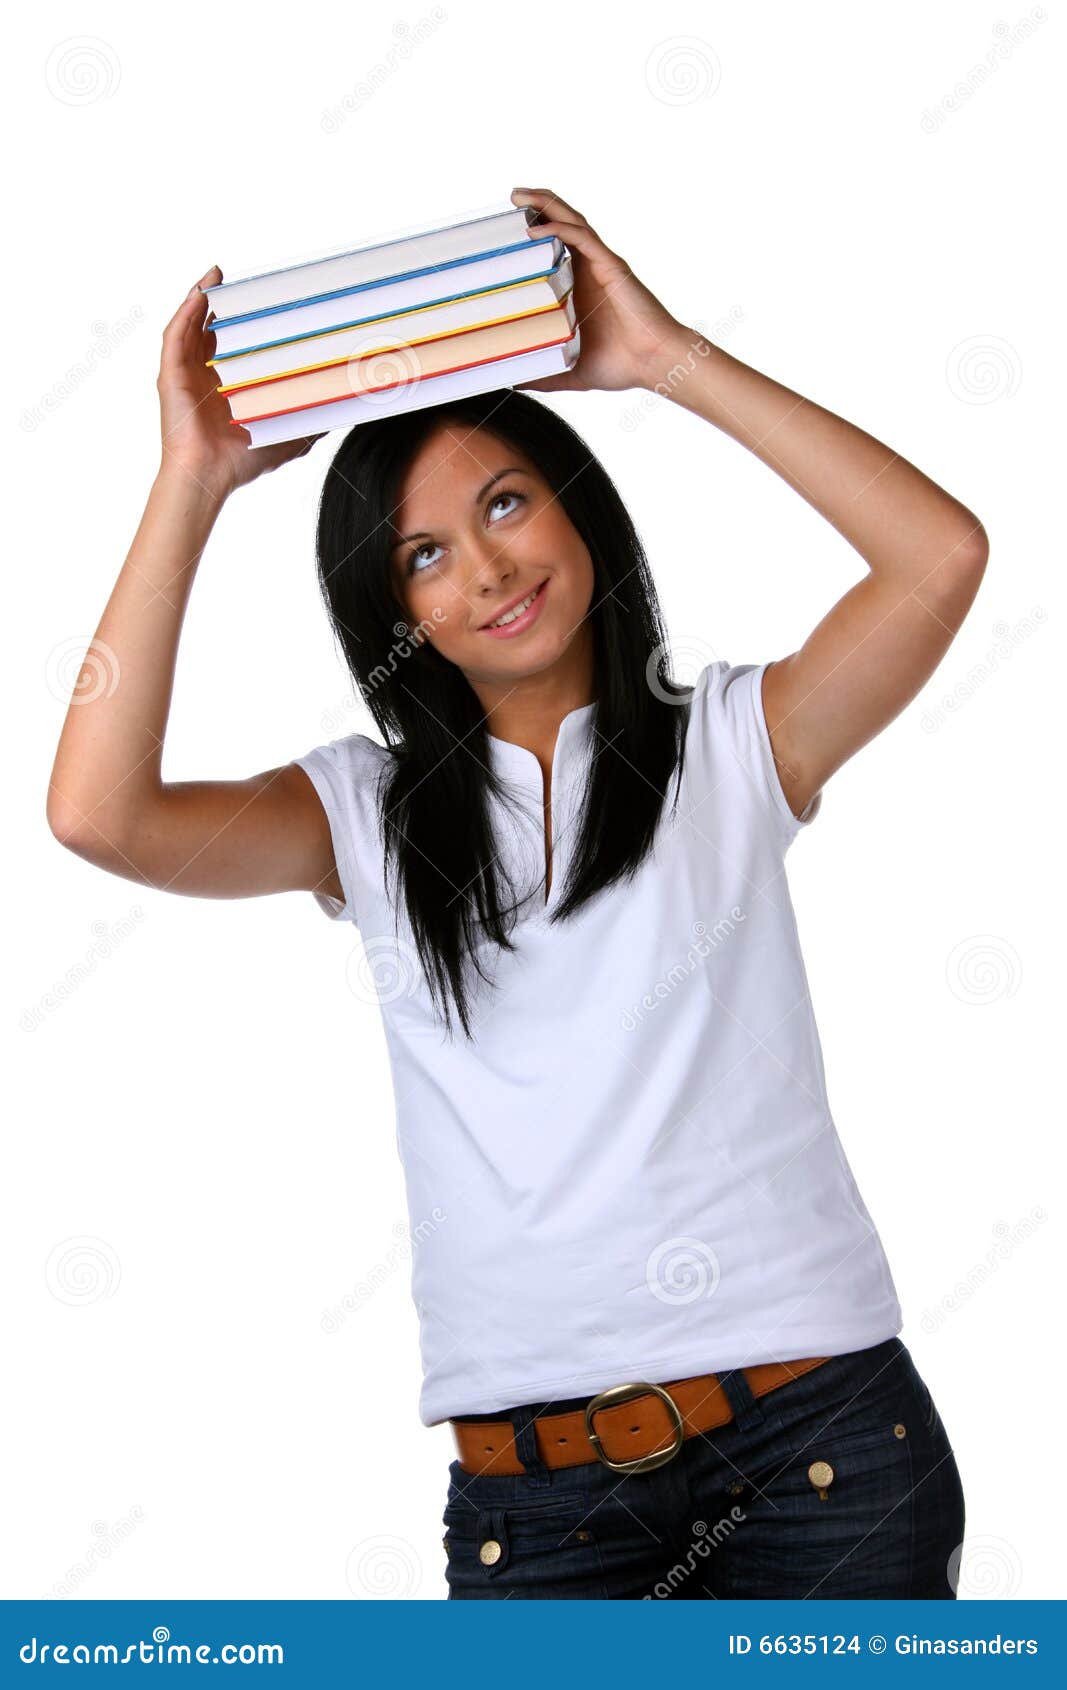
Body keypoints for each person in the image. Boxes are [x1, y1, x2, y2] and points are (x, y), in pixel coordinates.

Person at [47, 187, 985, 1600]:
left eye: (505, 503)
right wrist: (192, 479)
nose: (485, 568)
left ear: (577, 510)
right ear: (394, 612)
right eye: (424, 553)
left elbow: (942, 558)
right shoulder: (361, 817)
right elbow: (95, 811)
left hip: (819, 1455)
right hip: (534, 1507)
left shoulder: (735, 745)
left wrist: (667, 360)